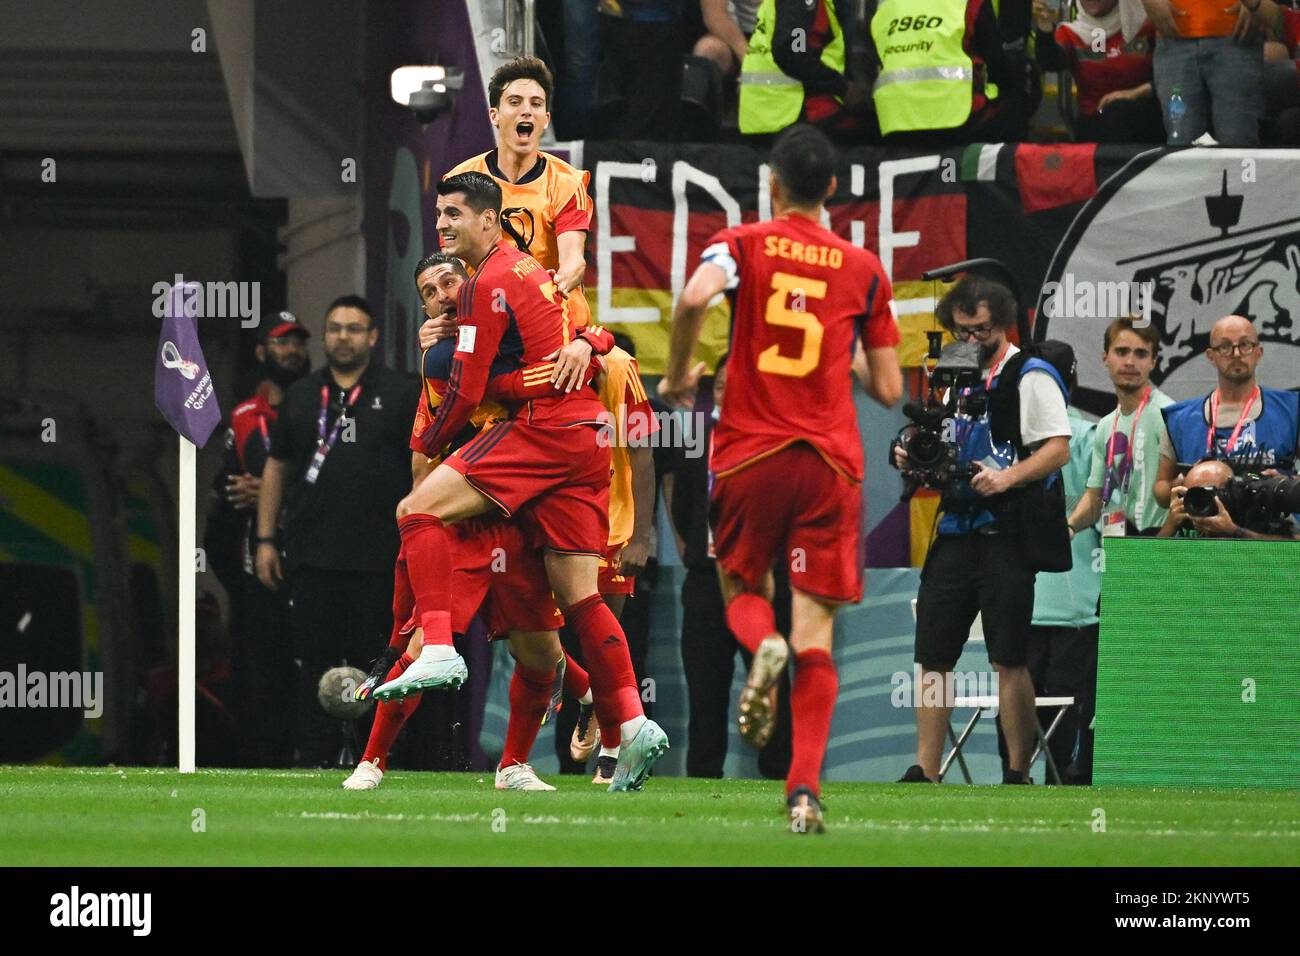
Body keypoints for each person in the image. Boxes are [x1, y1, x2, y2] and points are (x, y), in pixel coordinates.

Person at [373, 172, 669, 792]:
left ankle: (437, 648)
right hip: (582, 442)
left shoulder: (487, 283)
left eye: (456, 215)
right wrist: (590, 339)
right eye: (439, 217)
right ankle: (632, 722)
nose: (445, 226)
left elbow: (470, 392)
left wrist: (431, 438)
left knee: (413, 511)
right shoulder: (522, 275)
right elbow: (569, 339)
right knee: (579, 597)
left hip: (542, 436)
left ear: (490, 219)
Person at [660, 125, 902, 831]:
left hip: (750, 453)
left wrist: (678, 375)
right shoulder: (863, 267)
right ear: (833, 188)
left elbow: (692, 300)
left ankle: (761, 640)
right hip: (829, 462)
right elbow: (888, 389)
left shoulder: (741, 244)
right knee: (817, 633)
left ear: (772, 183)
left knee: (743, 588)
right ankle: (803, 793)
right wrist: (845, 353)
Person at [895, 275, 1072, 787]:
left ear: (1003, 325)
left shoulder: (1030, 373)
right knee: (931, 655)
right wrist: (915, 455)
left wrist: (1007, 478)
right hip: (953, 527)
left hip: (1007, 532)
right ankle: (925, 769)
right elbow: (942, 439)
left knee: (1007, 657)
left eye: (981, 331)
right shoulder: (952, 373)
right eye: (962, 330)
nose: (971, 340)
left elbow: (1056, 447)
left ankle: (1017, 770)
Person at [254, 295, 421, 768]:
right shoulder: (303, 395)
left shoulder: (402, 392)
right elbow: (277, 466)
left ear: (372, 337)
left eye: (353, 328)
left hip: (383, 560)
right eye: (334, 329)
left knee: (384, 666)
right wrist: (265, 540)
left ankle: (381, 759)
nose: (342, 337)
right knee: (314, 668)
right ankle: (314, 759)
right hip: (312, 558)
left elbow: (424, 465)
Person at [662, 361, 794, 779]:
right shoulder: (695, 439)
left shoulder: (775, 441)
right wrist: (697, 552)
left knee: (772, 683)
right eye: (719, 386)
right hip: (705, 583)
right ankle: (703, 778)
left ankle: (780, 776)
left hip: (763, 580)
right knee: (706, 689)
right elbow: (681, 504)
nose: (725, 393)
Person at [205, 312, 310, 766]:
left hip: (313, 565)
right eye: (281, 343)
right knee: (259, 673)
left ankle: (319, 757)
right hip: (259, 573)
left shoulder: (323, 405)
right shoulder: (245, 417)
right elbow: (228, 496)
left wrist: (271, 491)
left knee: (311, 666)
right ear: (263, 352)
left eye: (298, 343)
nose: (291, 351)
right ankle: (260, 764)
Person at [997, 381, 1101, 785]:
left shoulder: (1092, 437)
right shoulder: (1090, 435)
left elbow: (1101, 503)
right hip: (1043, 604)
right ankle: (1027, 780)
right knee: (1055, 714)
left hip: (1067, 607)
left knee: (1053, 716)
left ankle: (1019, 778)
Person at [444, 55, 594, 333]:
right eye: (514, 102)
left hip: (553, 316)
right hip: (485, 315)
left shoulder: (567, 182)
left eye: (536, 104)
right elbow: (453, 260)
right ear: (494, 115)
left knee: (618, 365)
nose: (526, 111)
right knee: (436, 357)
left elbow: (574, 261)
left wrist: (550, 287)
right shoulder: (459, 182)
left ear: (546, 119)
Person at [1156, 314, 1300, 507]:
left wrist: (1288, 485)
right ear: (1211, 356)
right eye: (1225, 347)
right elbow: (1160, 488)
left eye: (1245, 344)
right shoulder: (1180, 420)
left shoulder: (1292, 409)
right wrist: (1182, 484)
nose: (1237, 353)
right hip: (1203, 531)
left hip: (1272, 532)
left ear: (1259, 352)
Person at [868, 0, 1032, 144]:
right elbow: (997, 62)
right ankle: (1007, 170)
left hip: (892, 121)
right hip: (954, 121)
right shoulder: (969, 3)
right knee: (1021, 83)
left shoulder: (885, 6)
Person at [1068, 317, 1173, 538]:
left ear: (1154, 361)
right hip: (1126, 541)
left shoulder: (1167, 413)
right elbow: (1095, 497)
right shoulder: (1106, 425)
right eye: (1122, 351)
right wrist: (1070, 526)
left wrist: (1165, 537)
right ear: (1105, 357)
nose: (1130, 362)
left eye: (1141, 354)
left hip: (1166, 544)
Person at [1141, 0, 1271, 146]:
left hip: (1236, 31)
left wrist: (1258, 5)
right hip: (1174, 33)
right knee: (1181, 145)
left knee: (1239, 141)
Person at [1033, 0, 1164, 143]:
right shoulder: (1070, 33)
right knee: (1109, 116)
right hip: (1096, 123)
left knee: (1118, 110)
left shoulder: (1144, 24)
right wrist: (1045, 27)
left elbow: (1176, 76)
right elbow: (1052, 62)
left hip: (1145, 117)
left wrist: (1136, 92)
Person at [739, 0, 872, 138]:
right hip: (792, 111)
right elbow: (794, 53)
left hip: (768, 109)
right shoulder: (801, 4)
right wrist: (843, 88)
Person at [1157, 457, 1298, 539]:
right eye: (1194, 495)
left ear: (1231, 492)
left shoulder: (1256, 510)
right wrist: (1170, 527)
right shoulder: (1186, 517)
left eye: (1208, 493)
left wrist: (1234, 531)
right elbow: (1144, 568)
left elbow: (1292, 550)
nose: (1201, 504)